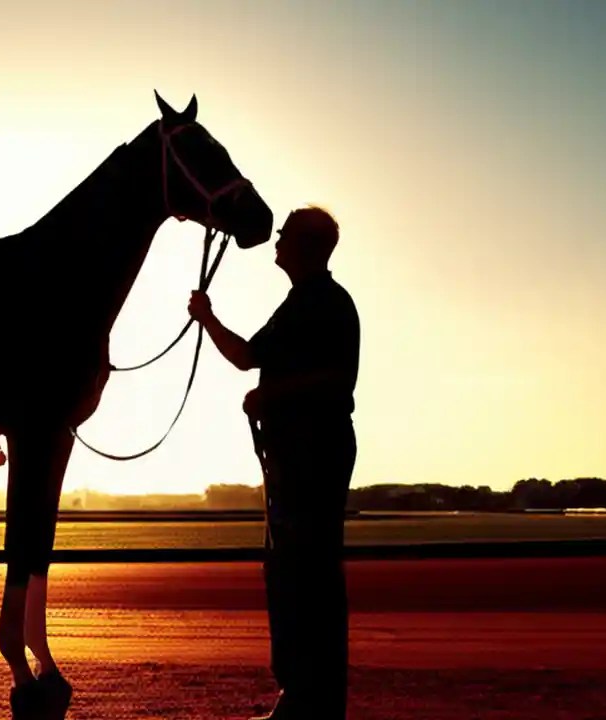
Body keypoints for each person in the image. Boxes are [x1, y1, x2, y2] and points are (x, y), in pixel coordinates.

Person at [188, 205, 360, 720]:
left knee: (304, 577)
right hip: (296, 454)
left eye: (284, 235)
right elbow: (247, 356)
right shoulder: (304, 302)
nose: (277, 241)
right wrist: (208, 319)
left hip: (313, 453)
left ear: (304, 246)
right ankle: (303, 696)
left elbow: (336, 381)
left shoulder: (325, 303)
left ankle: (311, 700)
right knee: (293, 574)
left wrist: (271, 396)